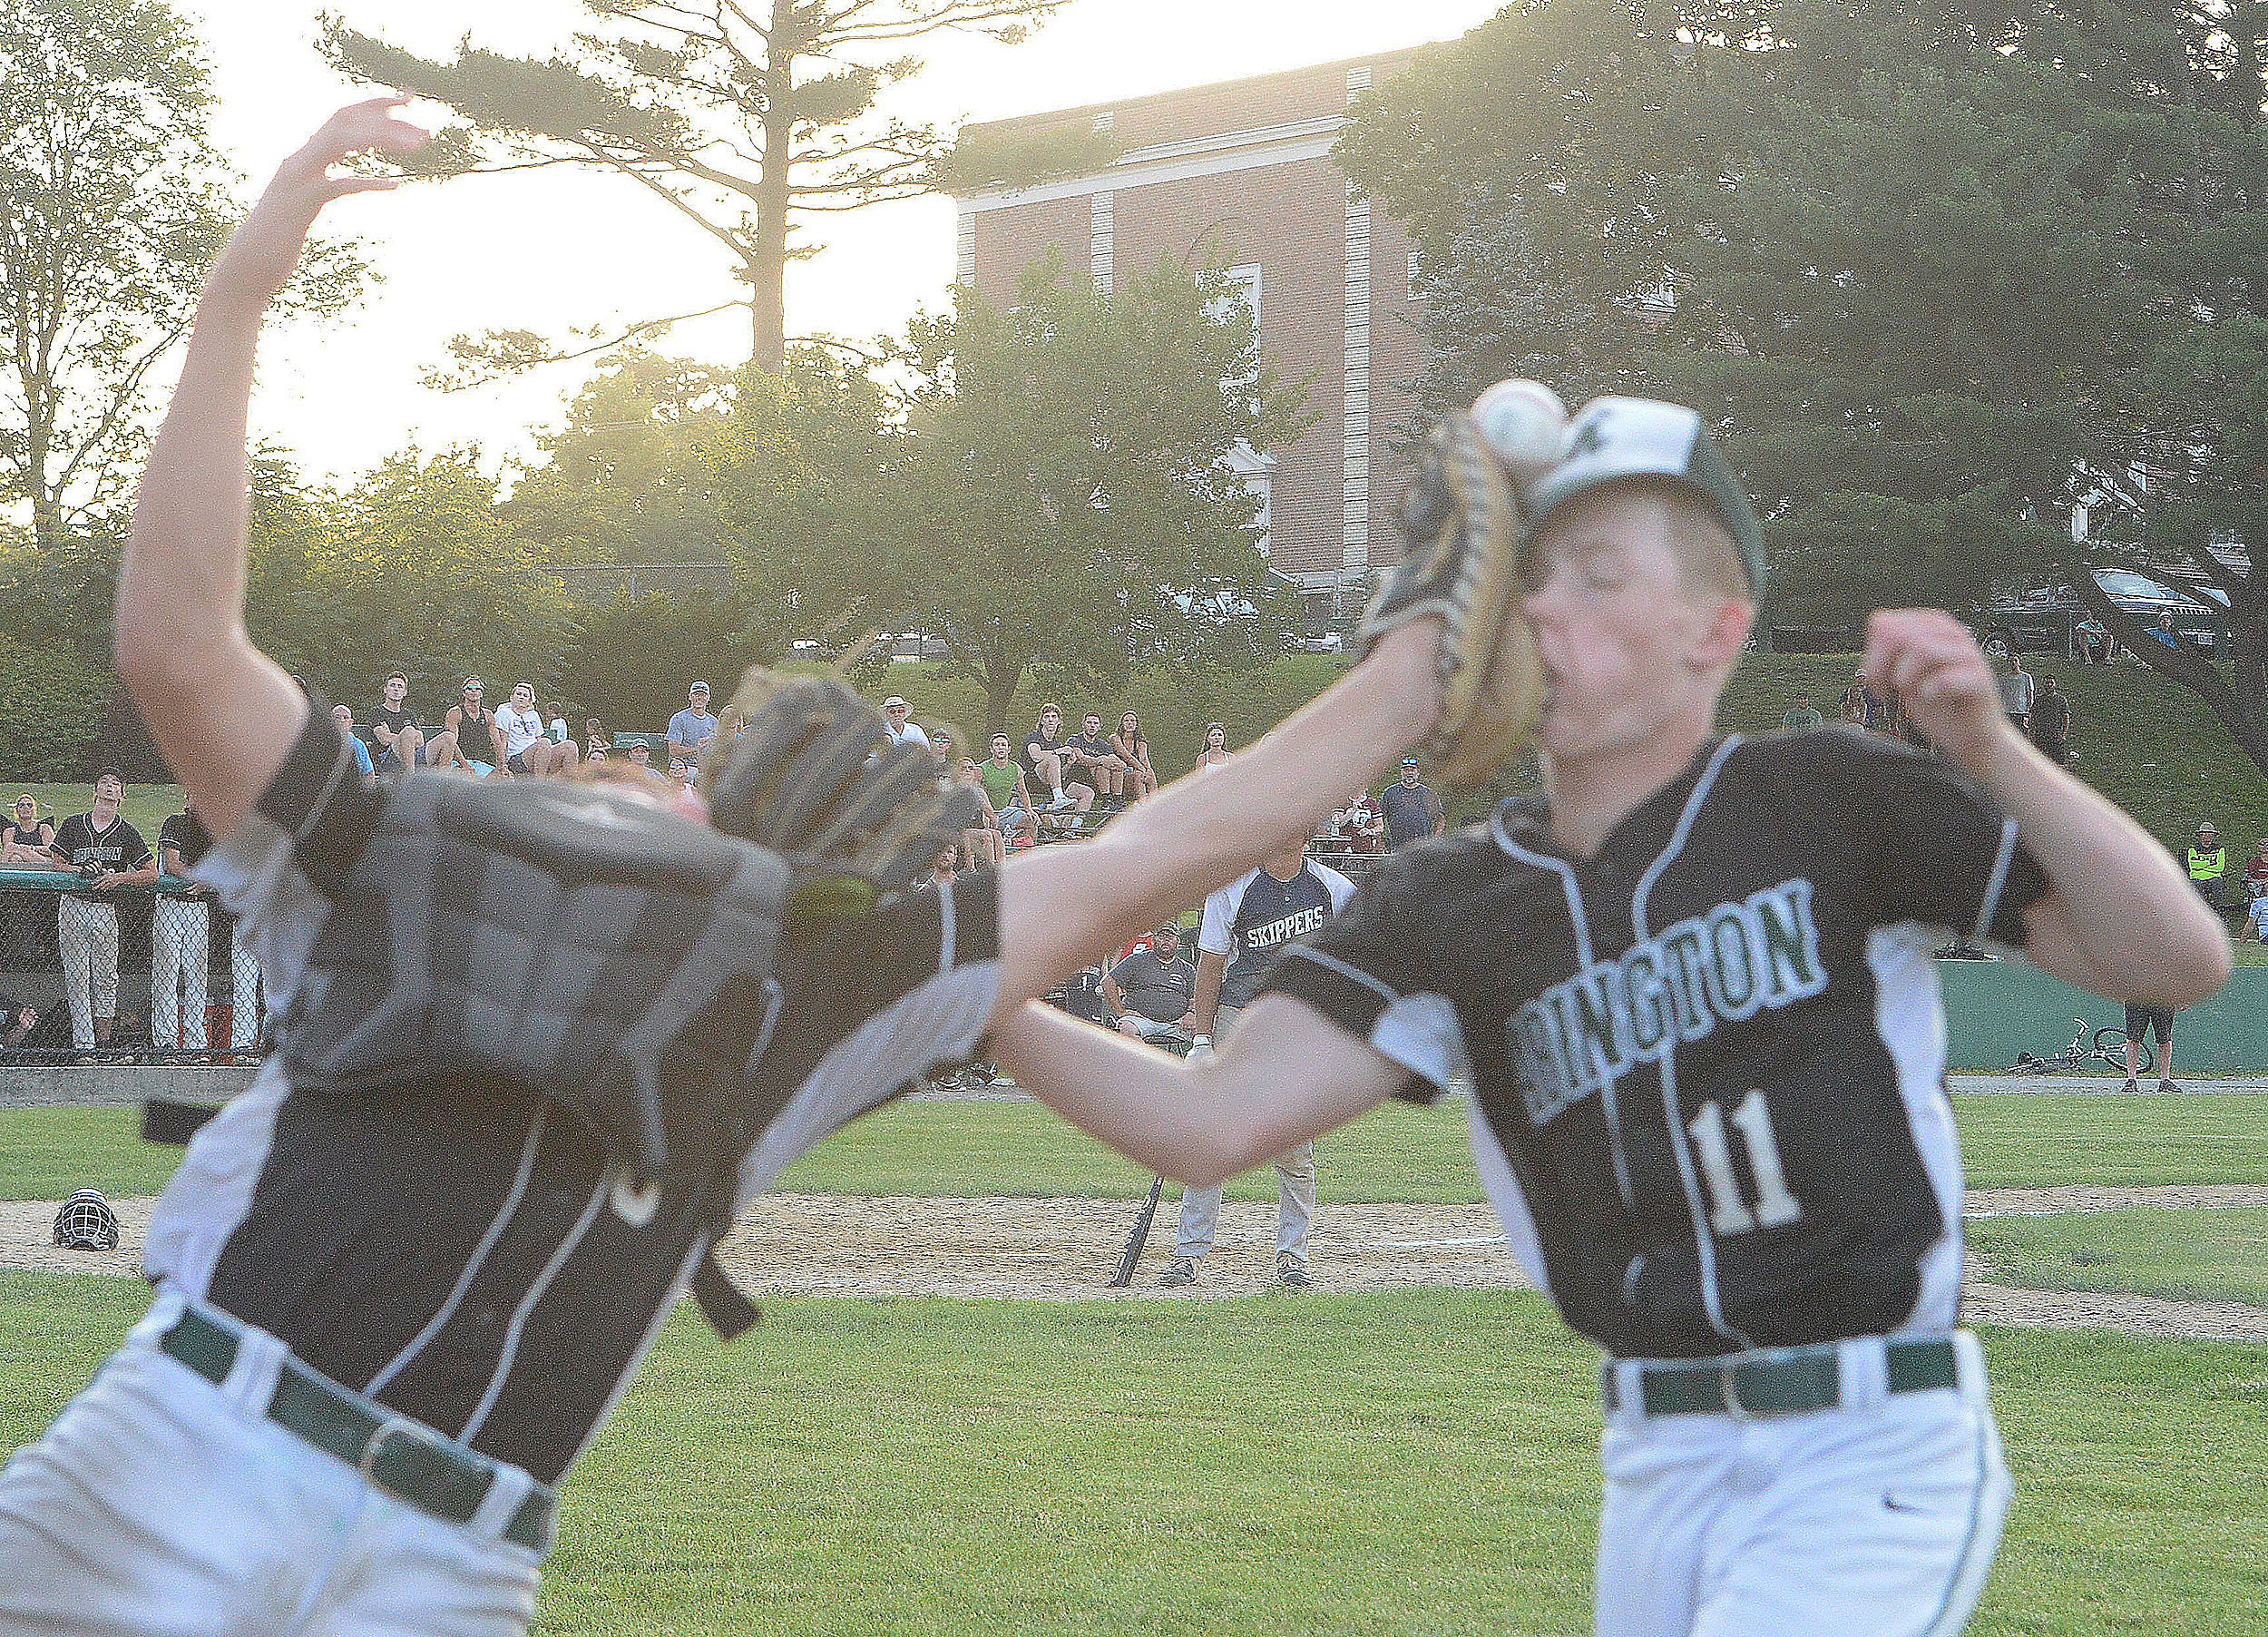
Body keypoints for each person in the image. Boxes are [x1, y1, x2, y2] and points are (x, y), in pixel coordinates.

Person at [1, 105, 1469, 1634]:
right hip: (175, 1453)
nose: (674, 782)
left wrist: (1420, 667)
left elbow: (1143, 862)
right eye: (642, 766)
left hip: (450, 1561)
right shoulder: (382, 857)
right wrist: (236, 294)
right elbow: (175, 643)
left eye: (692, 785)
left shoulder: (806, 981)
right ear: (541, 780)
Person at [986, 391, 2229, 1637]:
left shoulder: (1828, 801)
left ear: (1716, 628)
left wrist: (1996, 753)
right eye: (1531, 577)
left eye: (1598, 575)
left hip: (1868, 1445)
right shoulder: (1449, 899)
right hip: (1655, 1469)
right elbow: (1211, 1125)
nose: (1542, 610)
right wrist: (966, 1001)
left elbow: (2173, 957)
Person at [1160, 838, 1354, 1291]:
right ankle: (1189, 1254)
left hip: (1298, 1024)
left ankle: (1292, 1257)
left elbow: (1357, 957)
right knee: (1210, 1139)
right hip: (1237, 1019)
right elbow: (1210, 967)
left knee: (1294, 1148)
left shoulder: (1333, 888)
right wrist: (1202, 1039)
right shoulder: (1232, 889)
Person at [45, 769, 161, 1054]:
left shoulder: (126, 831)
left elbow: (152, 874)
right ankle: (83, 1045)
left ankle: (104, 1045)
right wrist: (78, 870)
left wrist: (118, 878)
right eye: (105, 783)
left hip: (105, 909)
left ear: (122, 796)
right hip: (73, 904)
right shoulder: (74, 824)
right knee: (77, 976)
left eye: (116, 784)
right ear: (95, 791)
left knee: (106, 977)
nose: (110, 787)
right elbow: (56, 863)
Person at [153, 799, 214, 1051]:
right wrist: (200, 877)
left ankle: (195, 1044)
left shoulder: (211, 829)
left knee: (196, 977)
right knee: (166, 975)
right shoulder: (175, 822)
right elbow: (172, 863)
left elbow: (221, 866)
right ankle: (166, 1043)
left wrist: (206, 879)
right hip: (170, 905)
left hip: (198, 908)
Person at [1102, 923, 1198, 1043]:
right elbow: (1107, 982)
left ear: (1177, 941)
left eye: (1170, 937)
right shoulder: (1136, 960)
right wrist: (1121, 1011)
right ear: (1153, 940)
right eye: (1162, 936)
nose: (1166, 940)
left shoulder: (1187, 969)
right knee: (1127, 1029)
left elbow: (1195, 996)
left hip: (1177, 1023)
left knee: (1205, 1033)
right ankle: (1144, 1061)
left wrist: (1191, 1013)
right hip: (1141, 1020)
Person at [371, 672, 449, 776]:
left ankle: (442, 782)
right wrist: (407, 737)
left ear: (405, 692)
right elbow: (384, 739)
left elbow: (420, 741)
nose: (396, 689)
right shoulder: (377, 712)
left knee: (448, 737)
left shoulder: (409, 714)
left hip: (414, 755)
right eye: (392, 685)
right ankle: (410, 779)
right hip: (390, 758)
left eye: (400, 686)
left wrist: (403, 738)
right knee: (408, 731)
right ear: (385, 689)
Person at [1023, 704, 1091, 814]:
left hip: (1052, 785)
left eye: (1054, 717)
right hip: (1033, 779)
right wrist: (1059, 751)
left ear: (1059, 721)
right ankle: (1059, 798)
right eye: (1046, 717)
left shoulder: (1057, 743)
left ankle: (1074, 827)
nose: (1050, 719)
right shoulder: (1034, 736)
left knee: (1087, 792)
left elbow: (1060, 775)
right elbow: (1036, 756)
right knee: (1053, 758)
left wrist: (1069, 764)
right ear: (1041, 721)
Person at [498, 683, 576, 778]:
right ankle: (540, 784)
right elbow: (502, 741)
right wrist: (502, 765)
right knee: (545, 742)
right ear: (511, 697)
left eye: (525, 695)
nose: (521, 697)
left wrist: (545, 755)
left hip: (538, 756)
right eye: (518, 694)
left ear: (529, 701)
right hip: (516, 758)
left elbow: (538, 739)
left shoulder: (533, 715)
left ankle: (569, 785)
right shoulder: (504, 713)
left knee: (570, 745)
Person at [980, 733, 1035, 845]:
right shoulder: (982, 769)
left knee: (1031, 820)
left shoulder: (1016, 768)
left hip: (1005, 811)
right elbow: (977, 795)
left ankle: (1025, 850)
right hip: (986, 812)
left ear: (1009, 749)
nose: (1000, 748)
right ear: (991, 749)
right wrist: (989, 814)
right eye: (997, 745)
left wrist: (1029, 809)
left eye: (1003, 745)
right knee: (986, 825)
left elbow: (1022, 791)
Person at [1378, 757, 1445, 848]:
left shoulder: (1428, 793)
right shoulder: (1390, 792)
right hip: (1398, 845)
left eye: (1412, 770)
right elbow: (1379, 817)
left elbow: (1440, 818)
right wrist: (1381, 839)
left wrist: (1435, 839)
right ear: (1401, 772)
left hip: (1423, 845)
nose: (1409, 773)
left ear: (1418, 772)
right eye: (1406, 770)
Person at [1067, 712, 1129, 808]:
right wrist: (1100, 760)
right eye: (1089, 723)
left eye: (1095, 723)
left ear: (1100, 727)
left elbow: (1121, 764)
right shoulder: (1075, 740)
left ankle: (1117, 799)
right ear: (1083, 724)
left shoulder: (1103, 745)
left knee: (1117, 768)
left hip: (1101, 782)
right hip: (1079, 779)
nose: (1092, 726)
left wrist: (1111, 762)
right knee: (1102, 766)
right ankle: (1106, 800)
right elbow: (1081, 759)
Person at [445, 680, 504, 775]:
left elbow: (497, 742)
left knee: (505, 779)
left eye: (477, 689)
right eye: (469, 688)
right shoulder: (455, 713)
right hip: (458, 762)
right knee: (468, 777)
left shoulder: (488, 715)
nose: (473, 691)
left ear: (481, 693)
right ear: (464, 693)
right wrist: (465, 765)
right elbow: (452, 743)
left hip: (482, 763)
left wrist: (502, 766)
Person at [2123, 1005, 2180, 1093]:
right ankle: (2131, 1080)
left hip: (2163, 1001)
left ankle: (2165, 1080)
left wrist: (2182, 1000)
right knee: (2133, 1040)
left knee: (2165, 1040)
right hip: (2137, 1000)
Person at [667, 681, 719, 771]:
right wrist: (698, 749)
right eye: (696, 694)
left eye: (703, 695)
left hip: (707, 768)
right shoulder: (679, 718)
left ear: (708, 698)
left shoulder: (714, 721)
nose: (699, 698)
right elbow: (674, 750)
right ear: (690, 697)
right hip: (685, 767)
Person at [1110, 711, 1158, 802]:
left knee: (1150, 773)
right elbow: (1126, 756)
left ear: (1136, 724)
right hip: (1119, 773)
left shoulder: (1140, 742)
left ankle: (1155, 803)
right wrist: (1142, 770)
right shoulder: (1115, 738)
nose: (1129, 723)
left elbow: (1144, 759)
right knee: (1138, 774)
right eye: (1126, 721)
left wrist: (1147, 770)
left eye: (1132, 721)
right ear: (1122, 723)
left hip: (1136, 772)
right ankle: (1142, 802)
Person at [2188, 821, 2228, 915]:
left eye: (2210, 834)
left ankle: (2220, 912)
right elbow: (2193, 865)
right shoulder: (2193, 849)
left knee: (2218, 884)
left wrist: (2201, 865)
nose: (2206, 836)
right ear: (2200, 836)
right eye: (2204, 834)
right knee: (2196, 886)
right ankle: (2198, 912)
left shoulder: (2220, 848)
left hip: (2214, 877)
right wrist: (2210, 862)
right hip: (2197, 877)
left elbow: (2220, 867)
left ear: (2214, 836)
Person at [2029, 675, 2070, 766]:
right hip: (2041, 735)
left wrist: (2063, 734)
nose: (2049, 685)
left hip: (2056, 735)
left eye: (2051, 683)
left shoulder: (2061, 700)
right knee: (2040, 762)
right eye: (2047, 683)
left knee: (2059, 763)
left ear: (2055, 684)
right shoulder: (2039, 700)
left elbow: (2066, 717)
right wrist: (2032, 732)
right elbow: (2033, 717)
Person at [3, 795, 55, 863]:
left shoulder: (44, 828)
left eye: (29, 805)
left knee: (11, 846)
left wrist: (31, 848)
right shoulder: (10, 831)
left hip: (41, 862)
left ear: (34, 809)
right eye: (21, 805)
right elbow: (7, 853)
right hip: (19, 862)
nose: (25, 807)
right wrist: (24, 850)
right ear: (17, 810)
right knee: (15, 858)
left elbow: (51, 851)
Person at [331, 703, 376, 780]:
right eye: (337, 717)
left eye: (345, 717)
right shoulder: (321, 742)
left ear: (351, 722)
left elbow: (369, 773)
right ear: (331, 720)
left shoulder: (359, 745)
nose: (341, 720)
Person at [1997, 652, 2034, 733]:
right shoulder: (2004, 677)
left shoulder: (2026, 677)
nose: (2013, 663)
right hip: (2008, 711)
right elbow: (2000, 694)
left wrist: (2028, 710)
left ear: (2019, 662)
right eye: (2011, 661)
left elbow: (2030, 695)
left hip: (2021, 711)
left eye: (2015, 660)